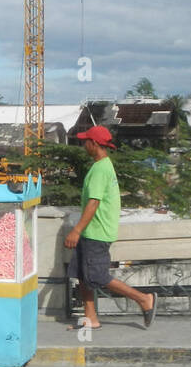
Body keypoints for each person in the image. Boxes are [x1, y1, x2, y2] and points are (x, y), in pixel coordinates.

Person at [64, 126, 156, 330]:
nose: (83, 145)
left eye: (85, 141)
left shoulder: (100, 169)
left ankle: (143, 299)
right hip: (93, 230)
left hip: (96, 232)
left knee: (97, 276)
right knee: (82, 273)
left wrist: (76, 230)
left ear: (94, 144)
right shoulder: (103, 165)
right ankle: (91, 318)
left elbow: (93, 203)